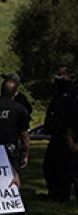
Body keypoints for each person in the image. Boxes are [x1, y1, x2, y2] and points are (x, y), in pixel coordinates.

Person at [0, 77, 32, 170]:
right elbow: (24, 134)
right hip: (11, 151)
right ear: (16, 93)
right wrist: (25, 153)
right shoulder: (20, 110)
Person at [43, 66, 76, 201]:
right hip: (55, 136)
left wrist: (70, 136)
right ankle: (54, 193)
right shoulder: (58, 93)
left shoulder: (72, 92)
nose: (58, 78)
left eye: (61, 75)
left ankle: (62, 195)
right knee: (49, 166)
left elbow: (73, 116)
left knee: (64, 168)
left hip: (66, 136)